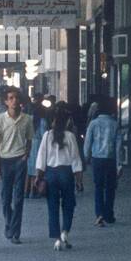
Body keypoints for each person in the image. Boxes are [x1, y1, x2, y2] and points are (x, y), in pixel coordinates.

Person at [35, 102, 83, 251]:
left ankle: (56, 239)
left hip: (50, 174)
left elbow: (41, 158)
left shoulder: (47, 136)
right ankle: (65, 232)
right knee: (69, 205)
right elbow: (76, 159)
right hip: (66, 173)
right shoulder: (70, 136)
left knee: (52, 207)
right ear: (66, 121)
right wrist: (79, 180)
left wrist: (38, 177)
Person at [0, 89, 34, 244]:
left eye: (16, 98)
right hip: (4, 160)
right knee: (5, 197)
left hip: (20, 160)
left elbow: (30, 140)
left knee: (18, 198)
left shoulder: (27, 119)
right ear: (6, 102)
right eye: (11, 98)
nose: (14, 101)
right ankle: (9, 223)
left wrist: (26, 155)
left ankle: (15, 231)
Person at [84, 95, 124, 226]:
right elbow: (118, 146)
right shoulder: (114, 124)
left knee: (98, 187)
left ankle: (99, 214)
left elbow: (88, 142)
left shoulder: (93, 123)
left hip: (97, 159)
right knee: (110, 188)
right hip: (111, 159)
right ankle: (109, 214)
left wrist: (86, 157)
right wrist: (119, 163)